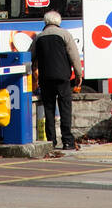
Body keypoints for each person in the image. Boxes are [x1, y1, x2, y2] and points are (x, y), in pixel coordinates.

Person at [30, 10, 82, 151]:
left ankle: (51, 141)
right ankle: (67, 142)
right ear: (58, 22)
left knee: (49, 109)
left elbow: (30, 58)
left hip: (45, 79)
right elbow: (74, 56)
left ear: (45, 22)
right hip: (63, 78)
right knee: (65, 109)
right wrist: (78, 75)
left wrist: (32, 74)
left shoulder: (38, 37)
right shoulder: (65, 34)